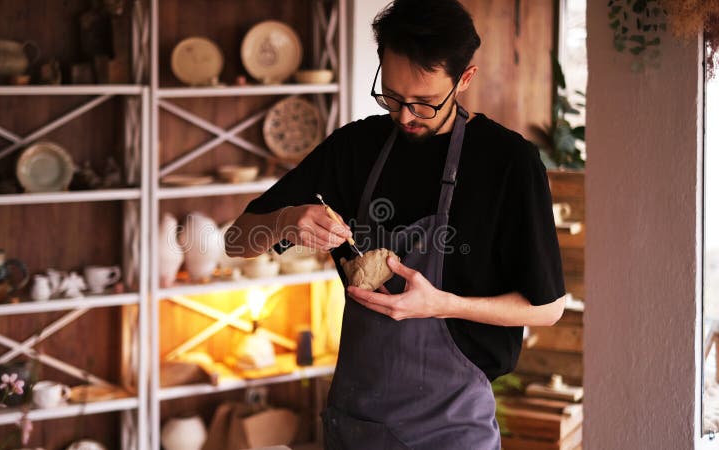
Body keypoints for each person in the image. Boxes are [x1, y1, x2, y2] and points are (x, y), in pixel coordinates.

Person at [225, 0, 567, 448]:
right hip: (356, 427)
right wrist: (287, 220)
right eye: (391, 96)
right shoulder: (357, 146)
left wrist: (441, 304)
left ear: (464, 79)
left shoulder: (508, 163)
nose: (404, 116)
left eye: (424, 104)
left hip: (451, 432)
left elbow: (548, 308)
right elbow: (236, 241)